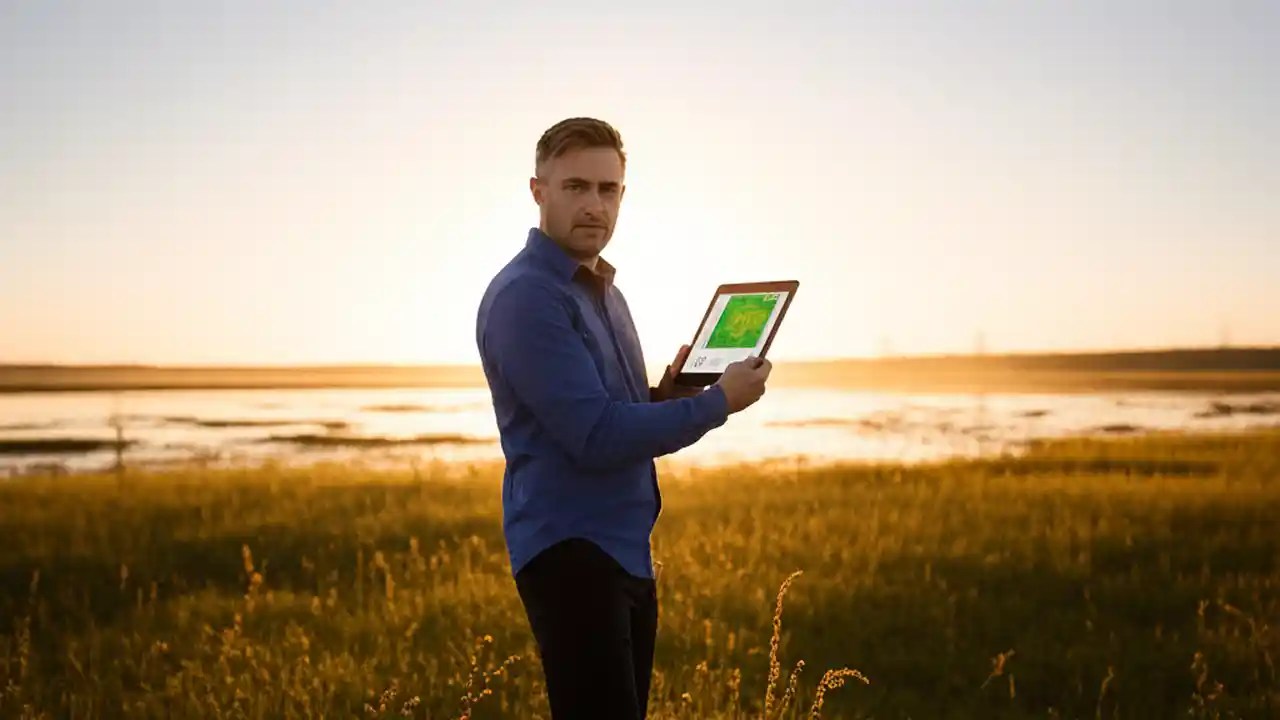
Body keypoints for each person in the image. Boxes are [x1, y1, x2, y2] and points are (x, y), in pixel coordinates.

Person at [474, 116, 773, 719]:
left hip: (625, 549)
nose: (594, 205)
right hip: (570, 553)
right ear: (539, 191)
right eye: (576, 187)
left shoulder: (607, 293)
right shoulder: (527, 297)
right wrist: (719, 403)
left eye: (607, 190)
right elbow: (597, 438)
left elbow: (621, 418)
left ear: (623, 196)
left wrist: (670, 392)